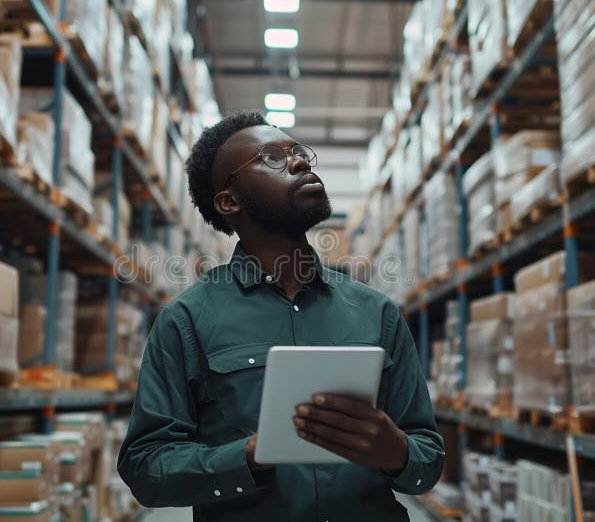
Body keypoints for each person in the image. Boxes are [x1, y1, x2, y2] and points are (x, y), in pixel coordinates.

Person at [117, 111, 444, 521]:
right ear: (229, 201)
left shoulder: (377, 313)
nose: (300, 162)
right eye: (272, 157)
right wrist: (248, 458)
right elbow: (146, 468)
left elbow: (428, 459)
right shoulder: (186, 321)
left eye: (299, 152)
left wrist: (395, 452)